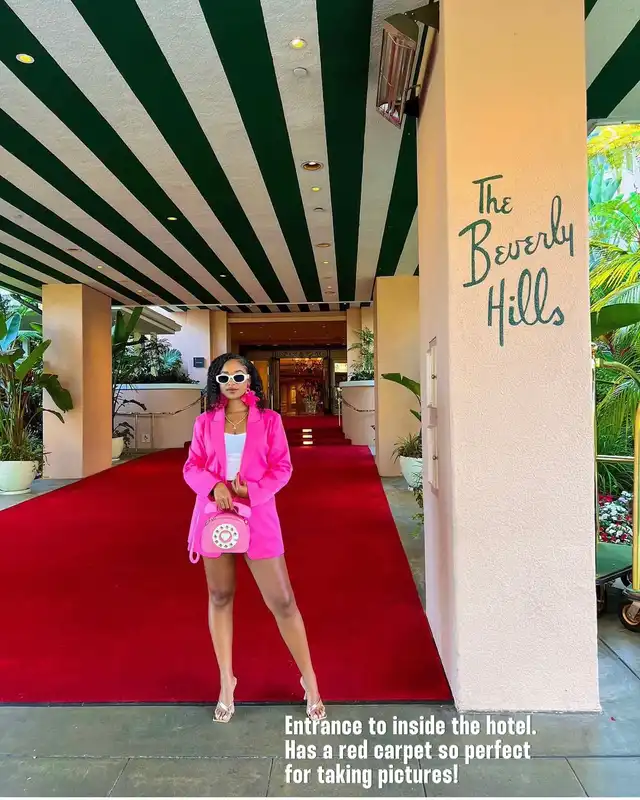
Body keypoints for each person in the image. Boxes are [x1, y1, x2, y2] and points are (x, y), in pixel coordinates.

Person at [183, 354, 326, 724]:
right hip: (214, 516)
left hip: (258, 516)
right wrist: (214, 486)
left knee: (283, 601)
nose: (231, 382)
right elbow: (192, 466)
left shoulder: (270, 420)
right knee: (220, 597)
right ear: (215, 382)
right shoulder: (204, 422)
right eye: (224, 377)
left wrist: (255, 490)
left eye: (238, 376)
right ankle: (226, 681)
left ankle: (309, 680)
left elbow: (283, 467)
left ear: (250, 380)